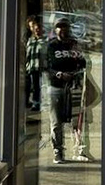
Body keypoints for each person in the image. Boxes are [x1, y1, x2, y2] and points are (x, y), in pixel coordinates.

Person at [46, 18, 87, 164]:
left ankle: (79, 150)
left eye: (65, 26)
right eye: (59, 27)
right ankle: (58, 151)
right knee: (56, 121)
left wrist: (76, 70)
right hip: (56, 87)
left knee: (76, 121)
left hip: (74, 87)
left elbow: (83, 64)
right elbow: (45, 66)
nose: (62, 29)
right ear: (55, 29)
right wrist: (59, 74)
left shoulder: (74, 44)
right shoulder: (51, 45)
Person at [25, 17, 45, 111]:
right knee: (35, 86)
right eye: (34, 29)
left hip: (41, 67)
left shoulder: (45, 40)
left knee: (40, 86)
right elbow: (28, 54)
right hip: (32, 67)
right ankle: (35, 102)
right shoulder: (30, 40)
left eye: (38, 29)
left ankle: (37, 103)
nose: (36, 31)